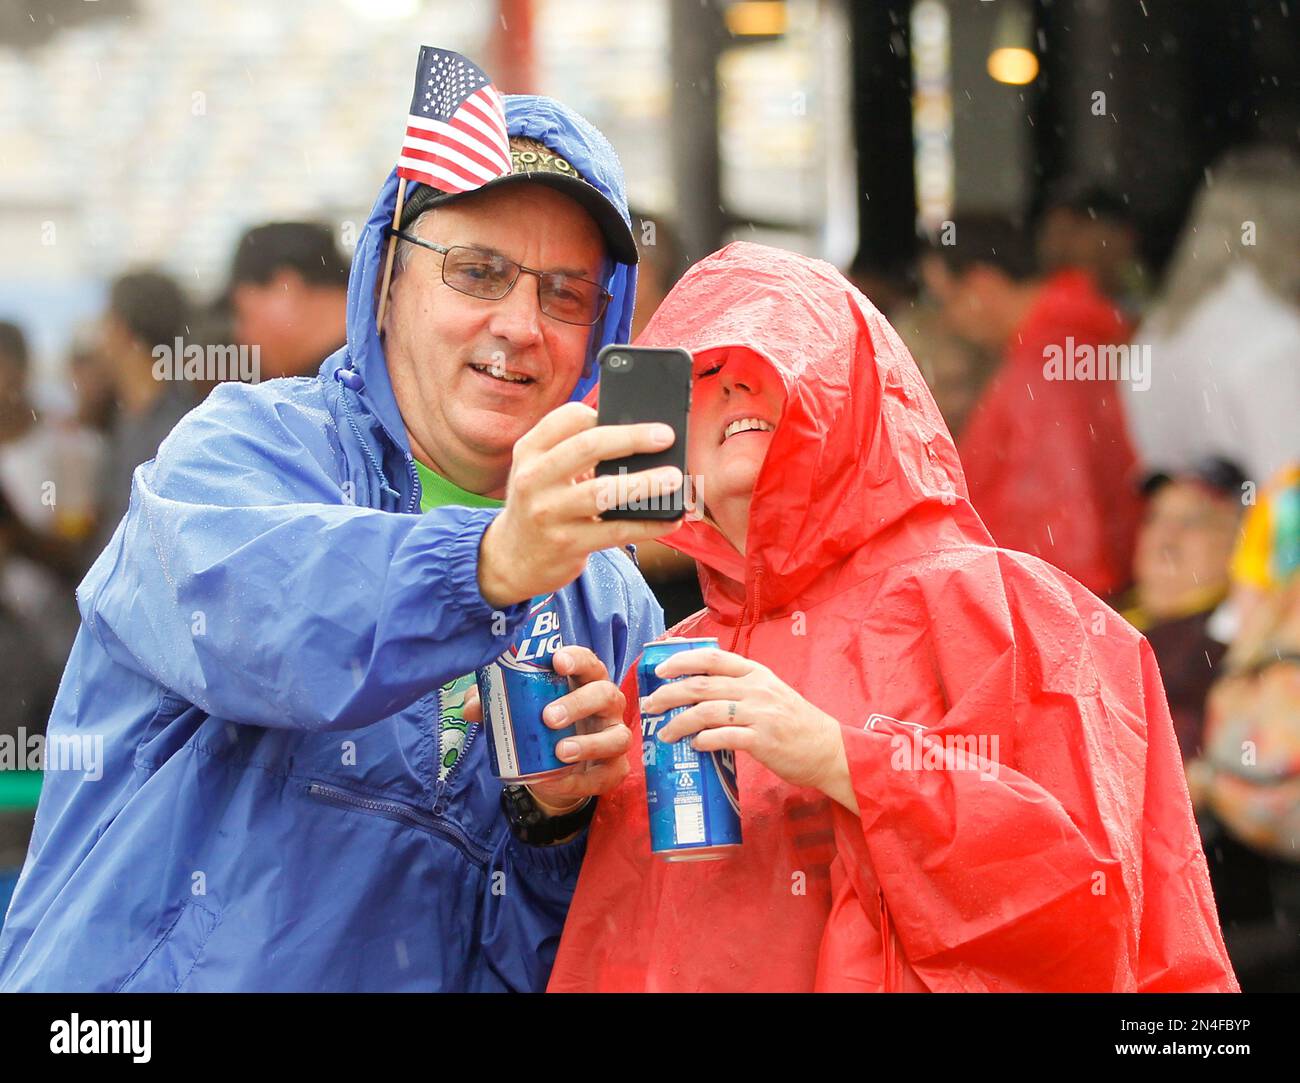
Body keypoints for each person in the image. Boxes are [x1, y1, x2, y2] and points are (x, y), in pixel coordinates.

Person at [0, 94, 674, 992]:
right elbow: (264, 619)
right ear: (389, 278)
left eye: (565, 293)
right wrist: (487, 566)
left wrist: (553, 826)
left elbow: (559, 963)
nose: (520, 324)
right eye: (478, 271)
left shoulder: (612, 601)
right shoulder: (243, 447)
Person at [547, 241, 1237, 992]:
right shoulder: (670, 661)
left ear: (853, 387)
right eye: (704, 373)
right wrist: (557, 805)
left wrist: (844, 760)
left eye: (775, 360)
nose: (738, 385)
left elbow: (1094, 899)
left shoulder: (1014, 610)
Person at [922, 215, 1142, 598]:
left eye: (947, 300)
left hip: (1050, 605)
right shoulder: (1078, 339)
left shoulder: (1044, 363)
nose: (949, 320)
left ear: (982, 284)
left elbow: (1066, 532)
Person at [1124, 146, 1300, 489]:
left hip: (1178, 533)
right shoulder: (1279, 340)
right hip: (1257, 538)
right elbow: (1288, 493)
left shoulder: (1156, 336)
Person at [1115, 458, 1246, 762]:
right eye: (1156, 517)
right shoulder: (1096, 605)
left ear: (1236, 542)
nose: (1166, 535)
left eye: (1192, 521)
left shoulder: (1219, 653)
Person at [225, 221, 350, 380]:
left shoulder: (328, 392)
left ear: (287, 289)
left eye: (243, 315)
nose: (241, 338)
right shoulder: (378, 356)